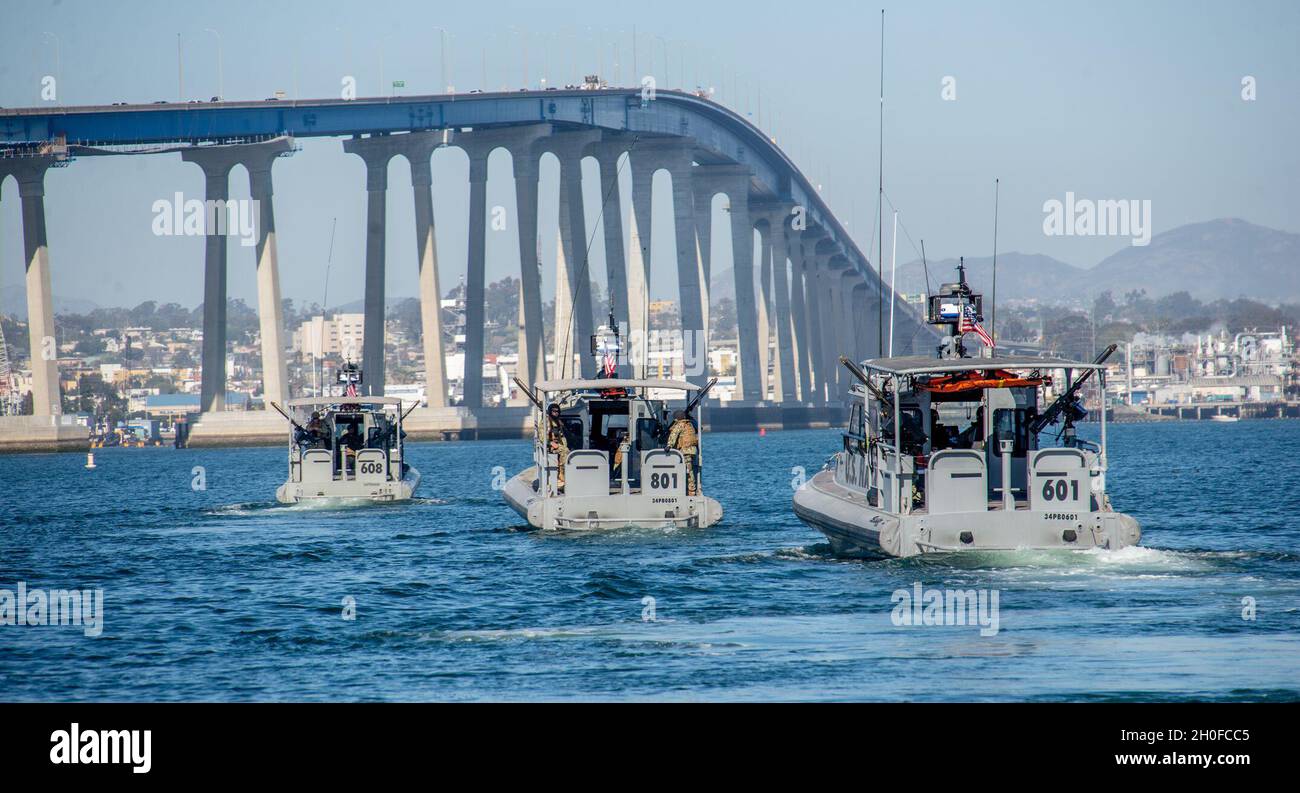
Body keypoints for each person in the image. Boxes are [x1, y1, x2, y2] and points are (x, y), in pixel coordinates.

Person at [665, 410, 699, 495]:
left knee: (688, 471)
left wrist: (669, 446)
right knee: (690, 470)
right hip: (693, 451)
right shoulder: (690, 424)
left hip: (685, 451)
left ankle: (691, 490)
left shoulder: (680, 425)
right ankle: (691, 489)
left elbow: (673, 435)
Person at [544, 404, 569, 492]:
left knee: (567, 450)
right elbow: (542, 435)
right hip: (550, 446)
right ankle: (561, 473)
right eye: (554, 411)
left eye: (557, 411)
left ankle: (565, 472)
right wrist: (550, 442)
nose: (556, 413)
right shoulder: (546, 421)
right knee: (564, 451)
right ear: (550, 411)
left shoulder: (558, 421)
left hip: (559, 444)